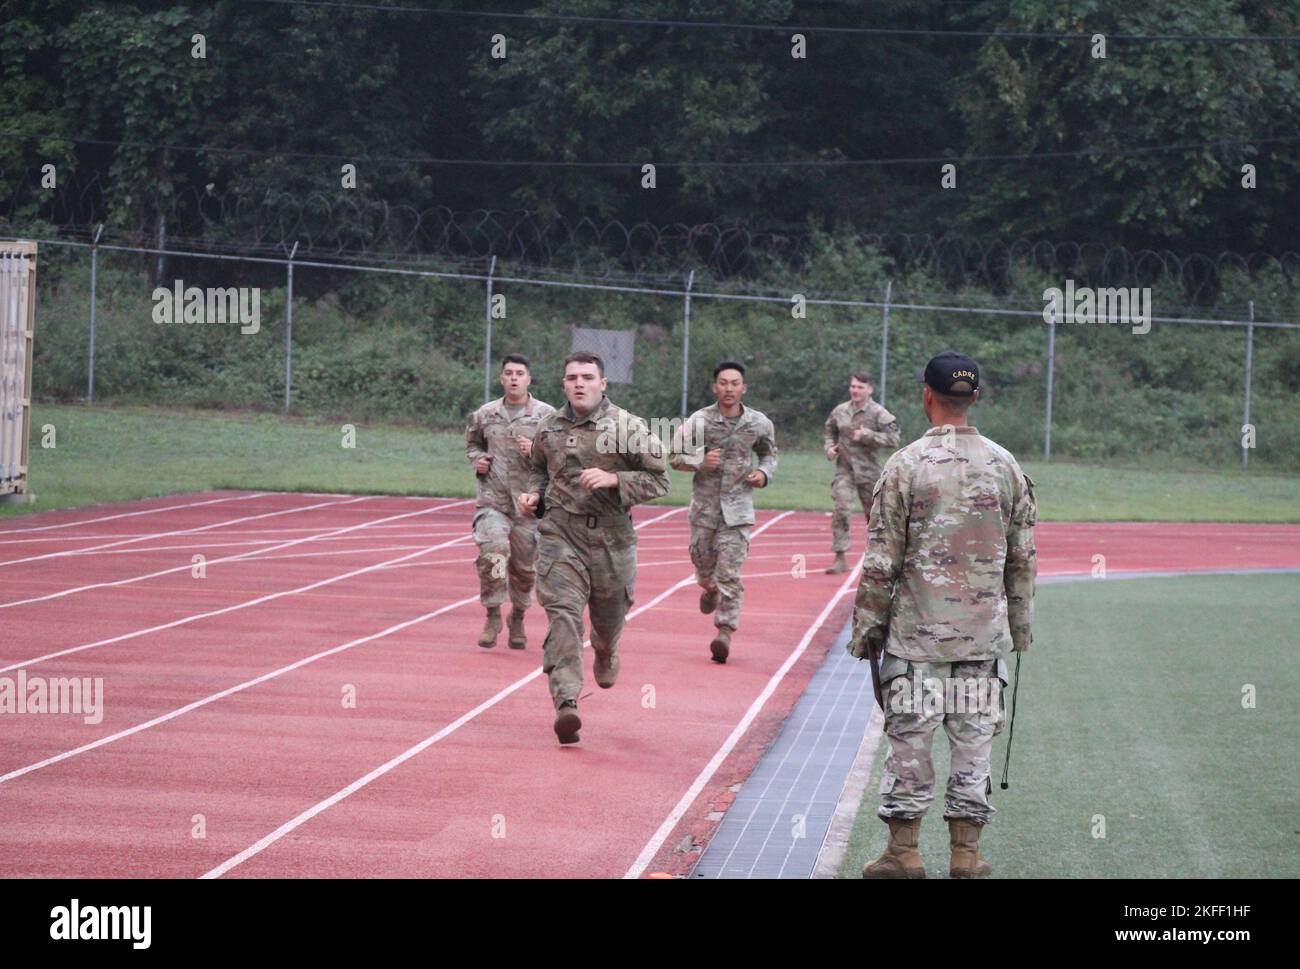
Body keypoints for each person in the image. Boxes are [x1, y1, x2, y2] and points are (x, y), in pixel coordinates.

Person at [849, 351, 1036, 879]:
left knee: (910, 746)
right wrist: (1018, 629)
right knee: (974, 747)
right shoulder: (1006, 466)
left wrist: (867, 631)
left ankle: (904, 854)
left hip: (916, 641)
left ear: (925, 395)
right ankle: (966, 856)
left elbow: (881, 560)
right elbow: (1023, 558)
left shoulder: (905, 465)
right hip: (981, 641)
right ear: (974, 398)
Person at [516, 351, 670, 744]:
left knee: (607, 621)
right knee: (563, 617)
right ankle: (566, 701)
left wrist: (615, 479)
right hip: (559, 537)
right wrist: (533, 495)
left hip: (612, 541)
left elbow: (660, 481)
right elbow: (537, 468)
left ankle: (605, 649)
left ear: (603, 384)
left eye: (587, 377)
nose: (578, 383)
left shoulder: (627, 426)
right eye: (571, 377)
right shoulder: (548, 427)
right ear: (563, 383)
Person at [669, 360, 778, 663]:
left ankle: (724, 632)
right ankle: (709, 589)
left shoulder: (758, 423)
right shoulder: (699, 421)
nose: (729, 388)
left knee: (729, 572)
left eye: (735, 383)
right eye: (723, 383)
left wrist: (763, 474)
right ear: (715, 387)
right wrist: (699, 462)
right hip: (704, 511)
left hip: (738, 511)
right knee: (705, 571)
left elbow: (769, 454)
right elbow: (674, 455)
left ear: (743, 388)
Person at [464, 354, 555, 649]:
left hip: (528, 505)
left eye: (520, 373)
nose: (514, 378)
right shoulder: (485, 414)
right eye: (508, 373)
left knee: (525, 570)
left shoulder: (546, 416)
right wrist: (478, 460)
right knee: (494, 550)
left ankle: (517, 615)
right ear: (501, 379)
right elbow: (473, 443)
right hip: (494, 501)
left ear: (529, 379)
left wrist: (536, 450)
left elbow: (560, 457)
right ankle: (492, 613)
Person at [823, 372, 900, 574]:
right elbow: (829, 430)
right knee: (841, 509)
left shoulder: (879, 413)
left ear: (870, 389)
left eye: (860, 387)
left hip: (870, 472)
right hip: (845, 470)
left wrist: (868, 435)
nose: (855, 390)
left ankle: (880, 558)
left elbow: (894, 439)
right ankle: (840, 557)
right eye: (853, 386)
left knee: (875, 517)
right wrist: (830, 447)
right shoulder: (840, 411)